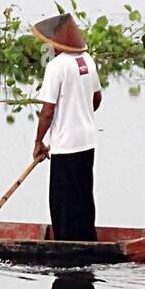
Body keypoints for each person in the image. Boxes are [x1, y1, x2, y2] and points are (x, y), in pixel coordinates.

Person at [31, 13, 102, 241]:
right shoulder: (87, 61)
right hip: (87, 141)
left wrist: (38, 142)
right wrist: (81, 116)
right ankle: (86, 238)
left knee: (61, 200)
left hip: (66, 145)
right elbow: (97, 98)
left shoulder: (56, 66)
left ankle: (66, 243)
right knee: (82, 195)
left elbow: (47, 111)